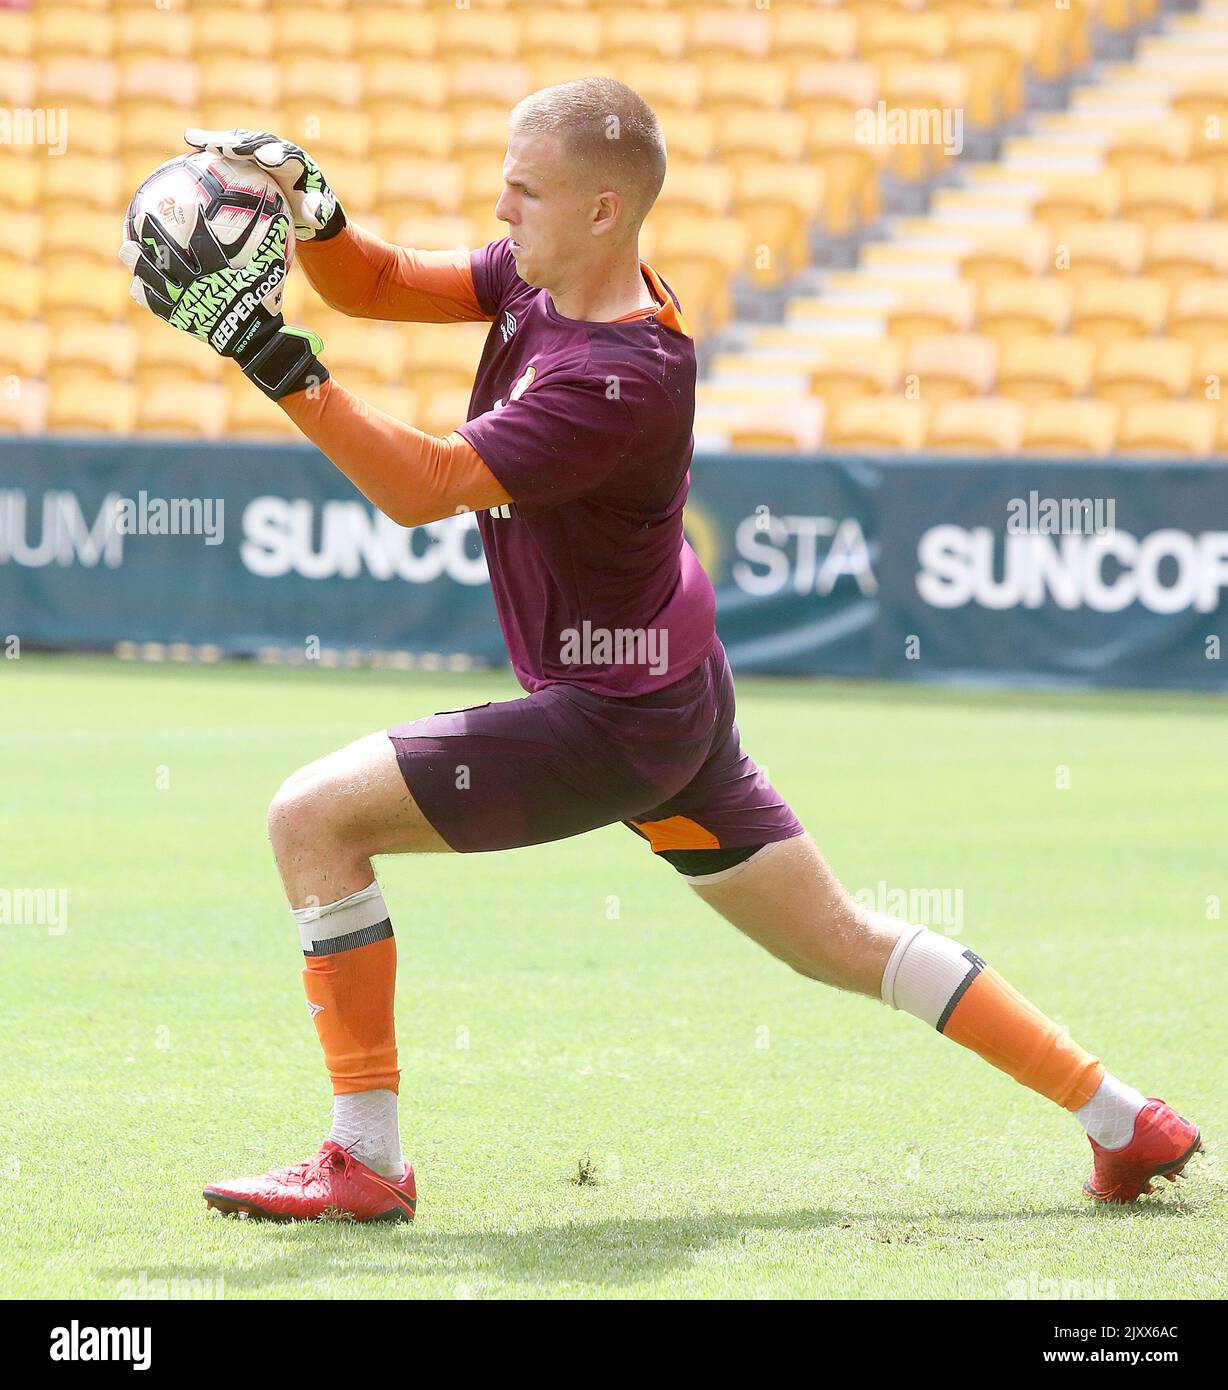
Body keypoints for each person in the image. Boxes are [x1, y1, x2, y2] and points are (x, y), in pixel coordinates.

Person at [121, 79, 1201, 1224]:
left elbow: (422, 486)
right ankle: (1120, 1117)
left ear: (600, 210)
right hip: (667, 695)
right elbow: (377, 283)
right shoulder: (550, 282)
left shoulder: (619, 377)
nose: (497, 208)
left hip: (609, 716)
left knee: (311, 818)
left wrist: (269, 356)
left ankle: (365, 1157)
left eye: (522, 191)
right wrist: (311, 204)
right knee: (838, 939)